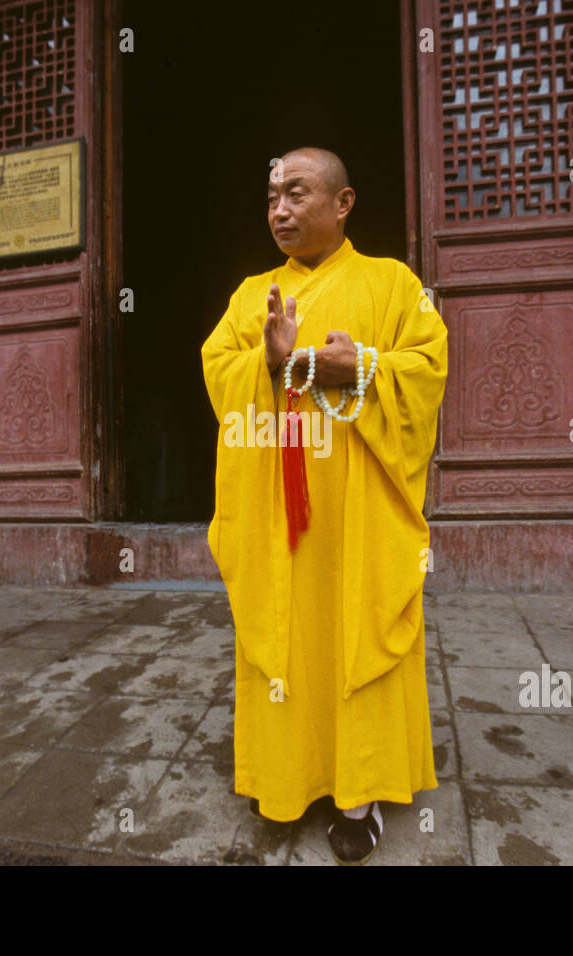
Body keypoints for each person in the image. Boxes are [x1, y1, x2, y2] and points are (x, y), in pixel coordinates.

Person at [201, 147, 448, 864]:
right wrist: (270, 364)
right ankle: (284, 779)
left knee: (355, 627)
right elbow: (221, 374)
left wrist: (361, 367)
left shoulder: (392, 283)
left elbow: (428, 368)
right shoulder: (252, 295)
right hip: (277, 510)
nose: (279, 208)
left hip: (358, 508)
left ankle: (359, 795)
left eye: (297, 193)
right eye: (272, 195)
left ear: (342, 204)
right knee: (283, 631)